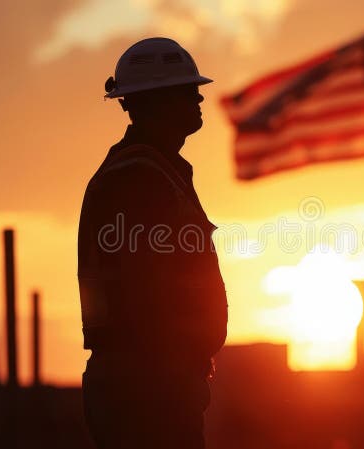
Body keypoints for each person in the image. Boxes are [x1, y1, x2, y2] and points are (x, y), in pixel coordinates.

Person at [77, 37, 228, 449]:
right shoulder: (137, 179)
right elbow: (149, 292)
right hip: (148, 388)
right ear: (153, 102)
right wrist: (174, 370)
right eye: (186, 91)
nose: (199, 99)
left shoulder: (157, 172)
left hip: (152, 383)